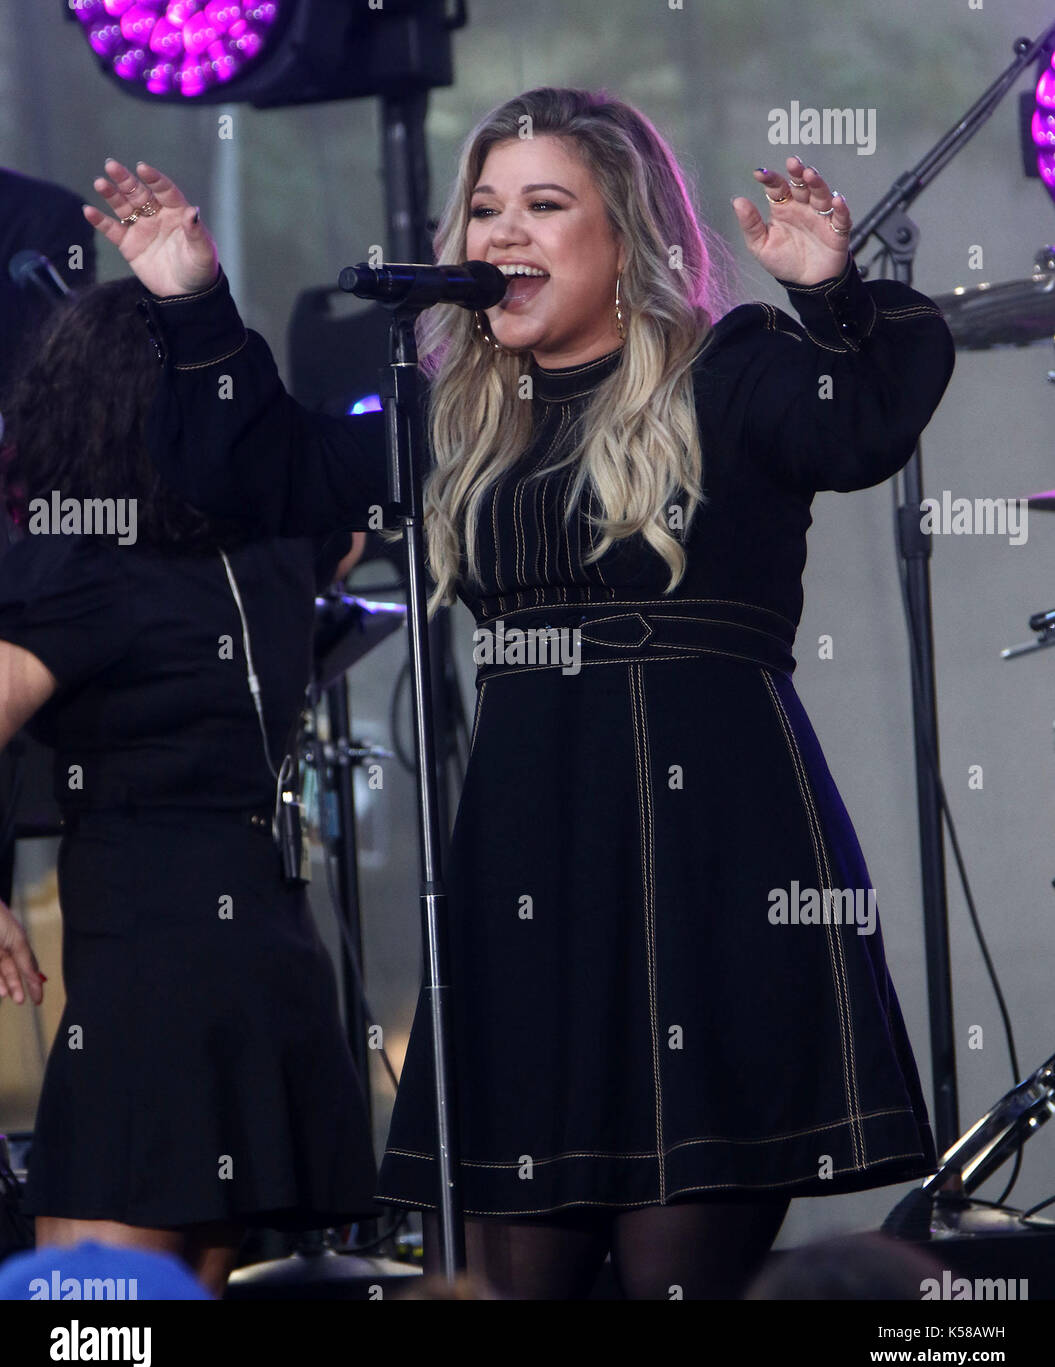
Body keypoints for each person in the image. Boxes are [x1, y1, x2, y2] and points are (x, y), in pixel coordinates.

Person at [82, 84, 955, 1300]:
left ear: (630, 230)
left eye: (544, 205)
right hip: (528, 853)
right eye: (485, 209)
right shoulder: (452, 418)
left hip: (707, 844)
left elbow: (863, 423)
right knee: (505, 1277)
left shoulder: (733, 371)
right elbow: (257, 473)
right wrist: (193, 300)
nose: (502, 235)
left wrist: (827, 291)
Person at [0, 276, 378, 1298]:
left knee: (97, 1305)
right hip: (257, 931)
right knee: (165, 1285)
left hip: (150, 959)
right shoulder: (289, 544)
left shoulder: (84, 571)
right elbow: (332, 493)